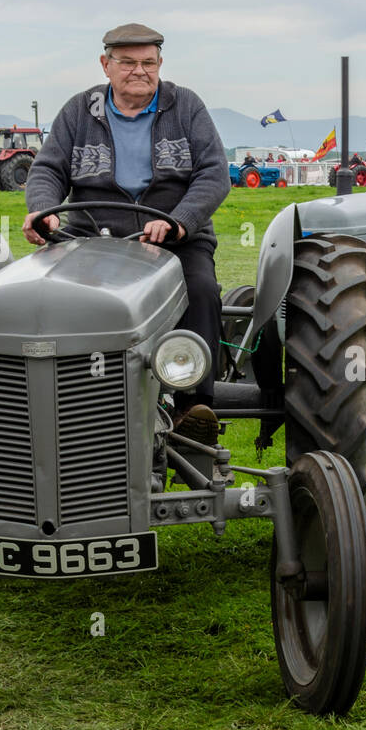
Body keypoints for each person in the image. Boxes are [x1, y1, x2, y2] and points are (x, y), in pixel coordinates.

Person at [24, 22, 229, 444]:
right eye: (128, 62)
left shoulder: (186, 106)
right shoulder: (79, 111)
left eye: (148, 62)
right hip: (92, 240)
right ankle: (69, 401)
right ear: (106, 65)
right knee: (54, 300)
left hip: (173, 239)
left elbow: (214, 174)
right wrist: (43, 212)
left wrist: (179, 220)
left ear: (160, 64)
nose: (139, 71)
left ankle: (194, 403)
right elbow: (46, 169)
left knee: (202, 289)